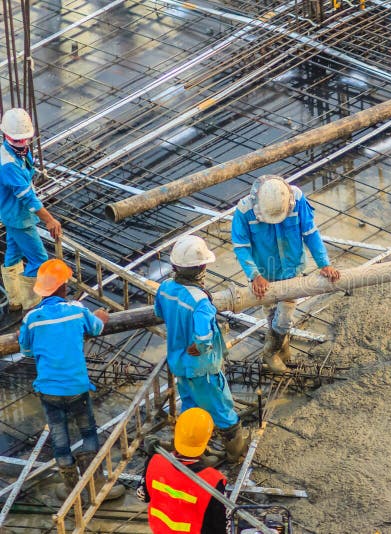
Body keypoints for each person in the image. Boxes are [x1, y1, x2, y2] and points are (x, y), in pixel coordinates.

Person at [18, 258, 124, 500]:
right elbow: (95, 327)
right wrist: (101, 316)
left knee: (59, 437)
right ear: (63, 287)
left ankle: (70, 488)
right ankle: (96, 484)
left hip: (49, 390)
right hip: (77, 386)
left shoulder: (31, 319)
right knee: (88, 431)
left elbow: (27, 351)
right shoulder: (77, 310)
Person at [231, 175, 340, 373]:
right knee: (272, 314)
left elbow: (310, 233)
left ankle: (270, 352)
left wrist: (324, 264)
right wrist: (255, 275)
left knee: (284, 317)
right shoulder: (244, 210)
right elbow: (241, 246)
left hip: (291, 269)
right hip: (263, 274)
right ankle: (283, 350)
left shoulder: (296, 199)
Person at [155, 234, 246, 463]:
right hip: (202, 368)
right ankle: (235, 453)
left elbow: (159, 312)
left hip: (178, 363)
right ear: (202, 268)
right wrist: (200, 345)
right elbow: (204, 337)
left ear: (175, 266)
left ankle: (188, 451)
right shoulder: (201, 302)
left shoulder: (164, 288)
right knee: (222, 408)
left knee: (190, 406)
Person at [0, 108, 62, 312]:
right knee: (39, 260)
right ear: (6, 135)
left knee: (14, 252)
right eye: (17, 140)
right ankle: (31, 304)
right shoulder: (8, 164)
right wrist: (49, 219)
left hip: (12, 214)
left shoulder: (19, 151)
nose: (22, 143)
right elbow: (27, 196)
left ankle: (15, 300)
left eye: (25, 139)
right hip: (19, 217)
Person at [138, 408, 228, 534]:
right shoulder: (213, 481)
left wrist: (150, 456)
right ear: (206, 440)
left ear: (177, 433)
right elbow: (220, 526)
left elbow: (142, 496)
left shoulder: (154, 461)